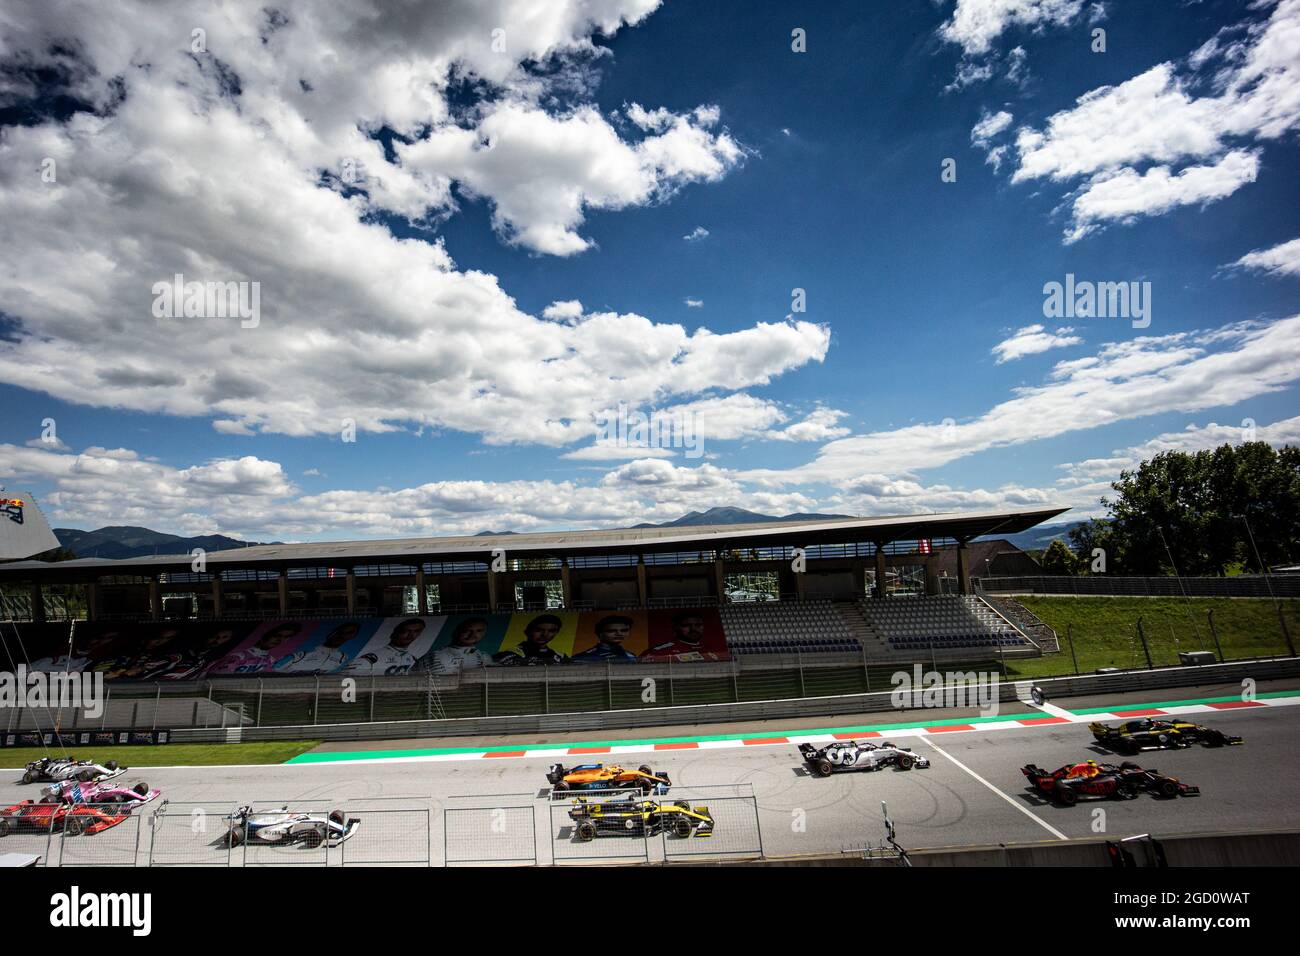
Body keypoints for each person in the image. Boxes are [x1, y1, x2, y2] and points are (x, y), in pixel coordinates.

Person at [208, 623, 302, 675]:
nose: (279, 640)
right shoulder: (238, 655)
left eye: (285, 637)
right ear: (267, 634)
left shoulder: (270, 660)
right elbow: (217, 673)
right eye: (277, 635)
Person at [342, 618, 425, 675]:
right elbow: (345, 676)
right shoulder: (373, 658)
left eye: (416, 631)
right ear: (396, 632)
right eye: (406, 631)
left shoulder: (413, 659)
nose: (411, 635)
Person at [276, 621, 361, 674]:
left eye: (349, 633)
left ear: (352, 637)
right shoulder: (305, 652)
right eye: (341, 632)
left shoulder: (343, 657)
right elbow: (277, 667)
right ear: (334, 631)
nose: (342, 635)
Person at [420, 617, 489, 674]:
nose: (473, 635)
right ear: (456, 632)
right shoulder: (438, 656)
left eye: (479, 631)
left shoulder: (484, 656)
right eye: (467, 630)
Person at [641, 611, 719, 661]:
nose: (693, 628)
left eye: (698, 625)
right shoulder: (658, 651)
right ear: (676, 627)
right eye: (687, 625)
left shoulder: (712, 649)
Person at [493, 614, 566, 666]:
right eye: (539, 630)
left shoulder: (560, 656)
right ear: (527, 632)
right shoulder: (509, 654)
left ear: (557, 633)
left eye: (551, 631)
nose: (545, 634)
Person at [571, 615, 637, 663]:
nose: (619, 633)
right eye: (611, 631)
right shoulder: (582, 658)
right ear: (600, 633)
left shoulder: (631, 656)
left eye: (624, 630)